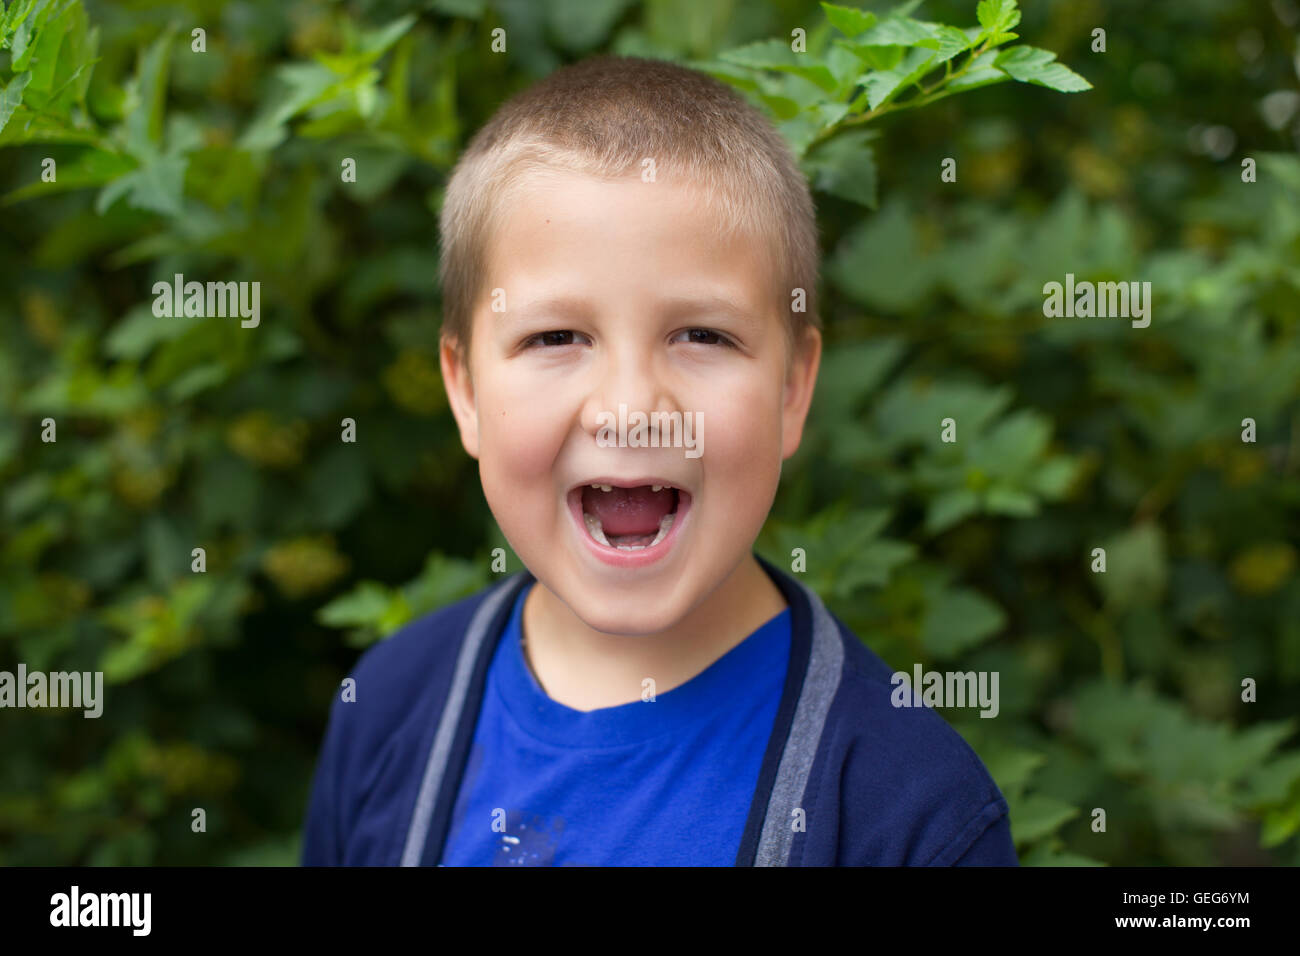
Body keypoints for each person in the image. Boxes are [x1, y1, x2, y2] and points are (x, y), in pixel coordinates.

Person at [302, 55, 1017, 866]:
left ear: (792, 387)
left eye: (702, 336)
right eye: (556, 337)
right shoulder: (390, 706)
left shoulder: (909, 816)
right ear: (465, 391)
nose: (631, 410)